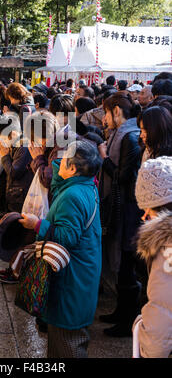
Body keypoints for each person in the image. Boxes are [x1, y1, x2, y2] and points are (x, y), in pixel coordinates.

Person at [19, 140, 102, 358]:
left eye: (63, 161)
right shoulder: (85, 185)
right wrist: (57, 165)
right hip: (81, 274)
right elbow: (57, 185)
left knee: (68, 343)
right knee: (62, 339)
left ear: (73, 169)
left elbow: (67, 237)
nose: (58, 162)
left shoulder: (73, 196)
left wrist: (36, 224)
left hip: (71, 279)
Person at [98, 91, 143, 337]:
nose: (104, 118)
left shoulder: (130, 136)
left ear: (116, 111)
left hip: (128, 209)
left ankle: (127, 320)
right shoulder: (120, 133)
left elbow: (124, 176)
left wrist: (104, 157)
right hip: (120, 206)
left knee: (127, 266)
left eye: (106, 112)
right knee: (121, 265)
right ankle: (120, 312)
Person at [133, 156, 172, 358]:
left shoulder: (167, 248)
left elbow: (162, 313)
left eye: (149, 209)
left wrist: (147, 348)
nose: (144, 216)